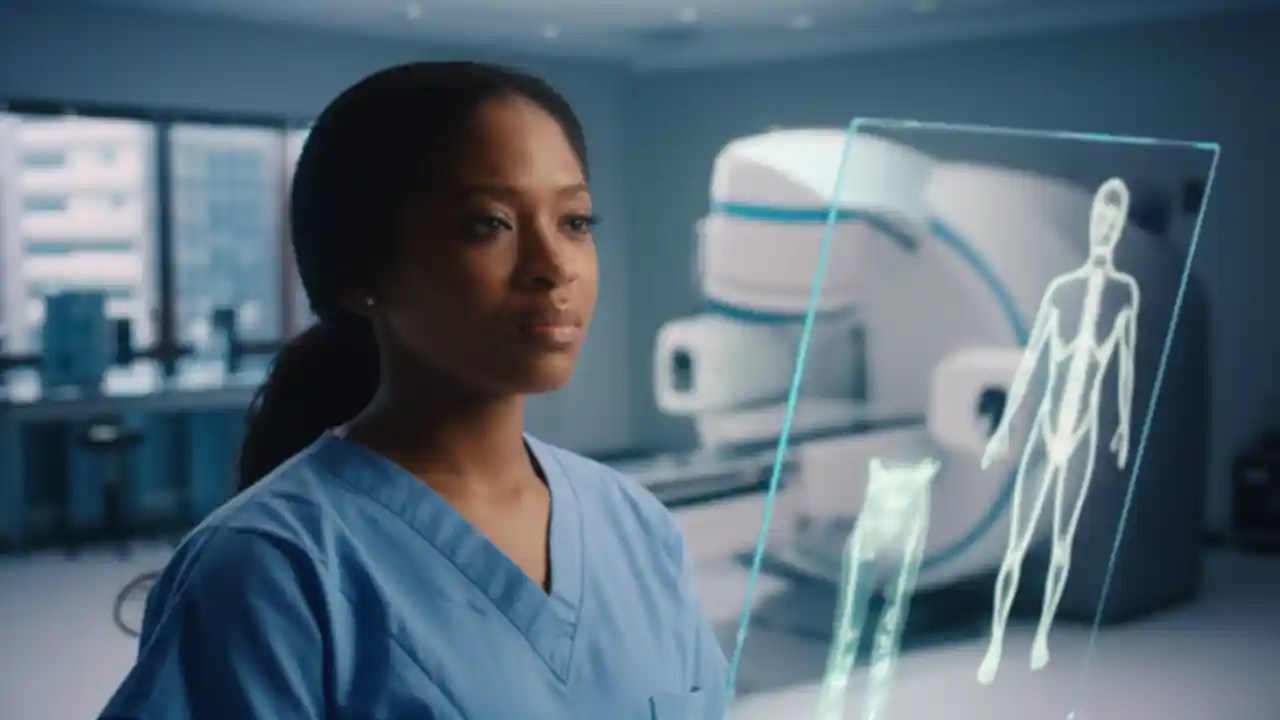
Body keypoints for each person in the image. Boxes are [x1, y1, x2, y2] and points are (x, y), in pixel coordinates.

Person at [99, 61, 728, 719]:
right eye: (488, 224)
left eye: (574, 221)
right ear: (360, 272)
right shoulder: (270, 567)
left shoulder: (636, 526)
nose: (553, 266)